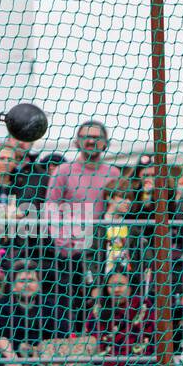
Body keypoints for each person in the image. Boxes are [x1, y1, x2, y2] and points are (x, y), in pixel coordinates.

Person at [44, 120, 120, 310]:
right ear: (77, 142)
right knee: (70, 307)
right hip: (70, 255)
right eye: (86, 137)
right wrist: (64, 241)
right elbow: (51, 207)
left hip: (103, 254)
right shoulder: (63, 171)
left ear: (105, 142)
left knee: (100, 307)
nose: (91, 141)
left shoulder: (113, 173)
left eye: (96, 137)